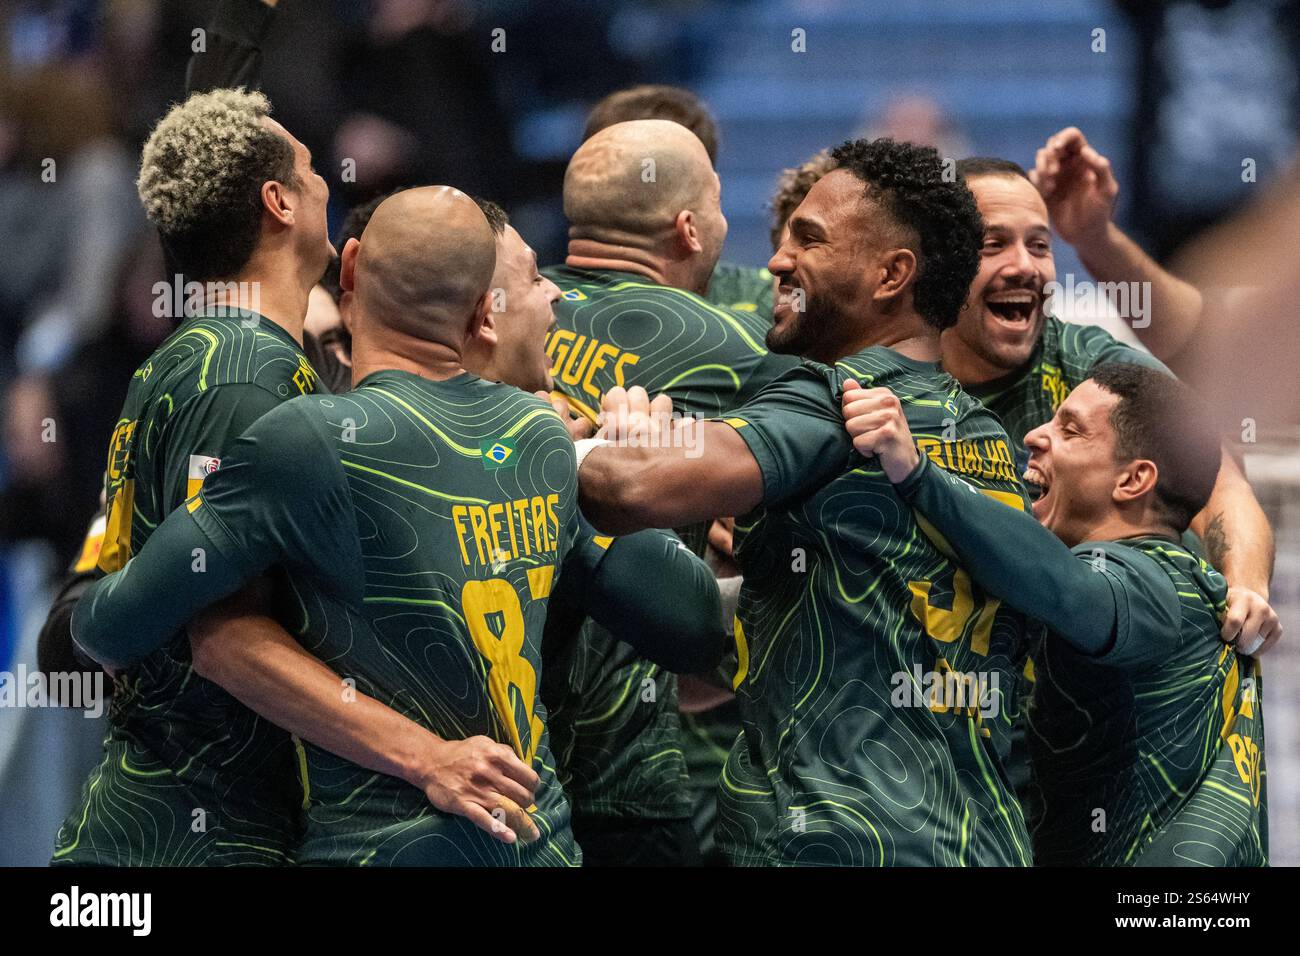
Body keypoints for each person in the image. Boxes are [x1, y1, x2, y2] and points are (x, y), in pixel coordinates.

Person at [578, 139, 1037, 866]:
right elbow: (734, 668)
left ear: (892, 274)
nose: (776, 262)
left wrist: (566, 443)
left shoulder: (834, 398)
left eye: (809, 240)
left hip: (835, 840)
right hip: (977, 839)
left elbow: (631, 489)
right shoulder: (980, 432)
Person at [52, 84, 334, 867]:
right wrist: (419, 756)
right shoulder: (243, 376)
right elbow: (223, 640)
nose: (328, 186)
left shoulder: (200, 355)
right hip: (196, 833)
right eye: (311, 171)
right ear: (277, 202)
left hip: (179, 819)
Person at [842, 362, 1271, 865]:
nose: (1034, 436)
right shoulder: (1187, 578)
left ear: (1134, 480)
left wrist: (917, 474)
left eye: (1070, 429)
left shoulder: (1158, 584)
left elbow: (1067, 589)